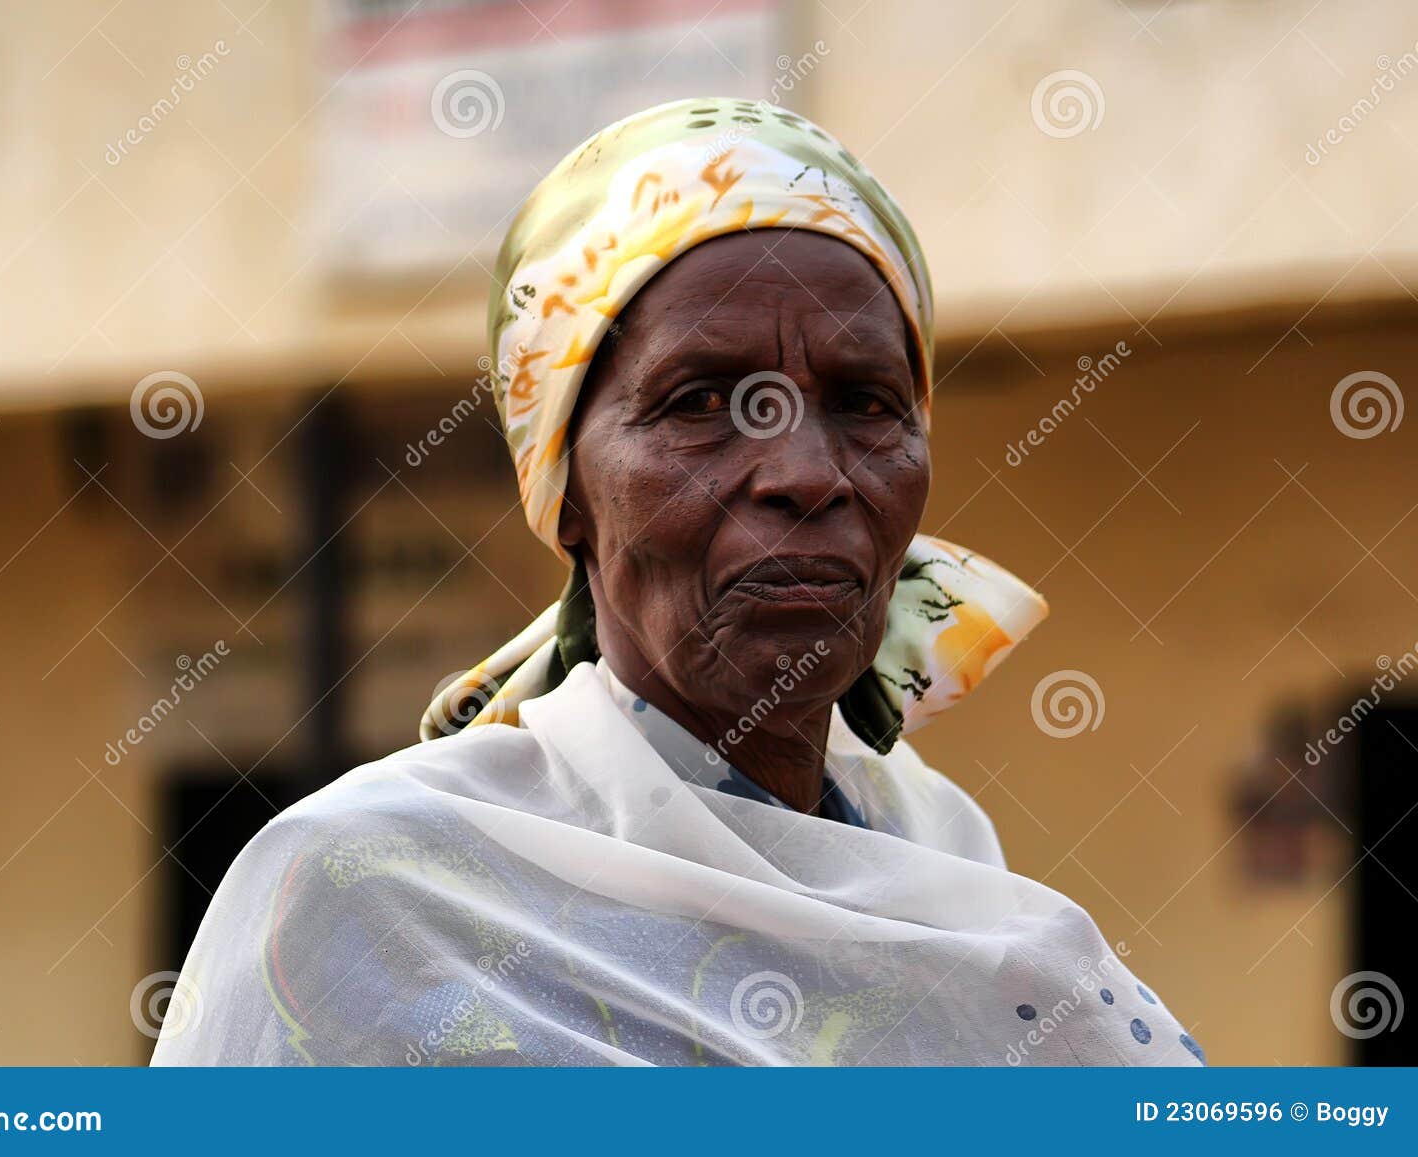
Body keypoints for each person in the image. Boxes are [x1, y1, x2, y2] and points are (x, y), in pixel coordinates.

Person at [152, 97, 1204, 1067]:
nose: (804, 471)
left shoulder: (948, 866)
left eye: (866, 401)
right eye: (701, 400)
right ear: (566, 489)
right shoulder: (372, 895)